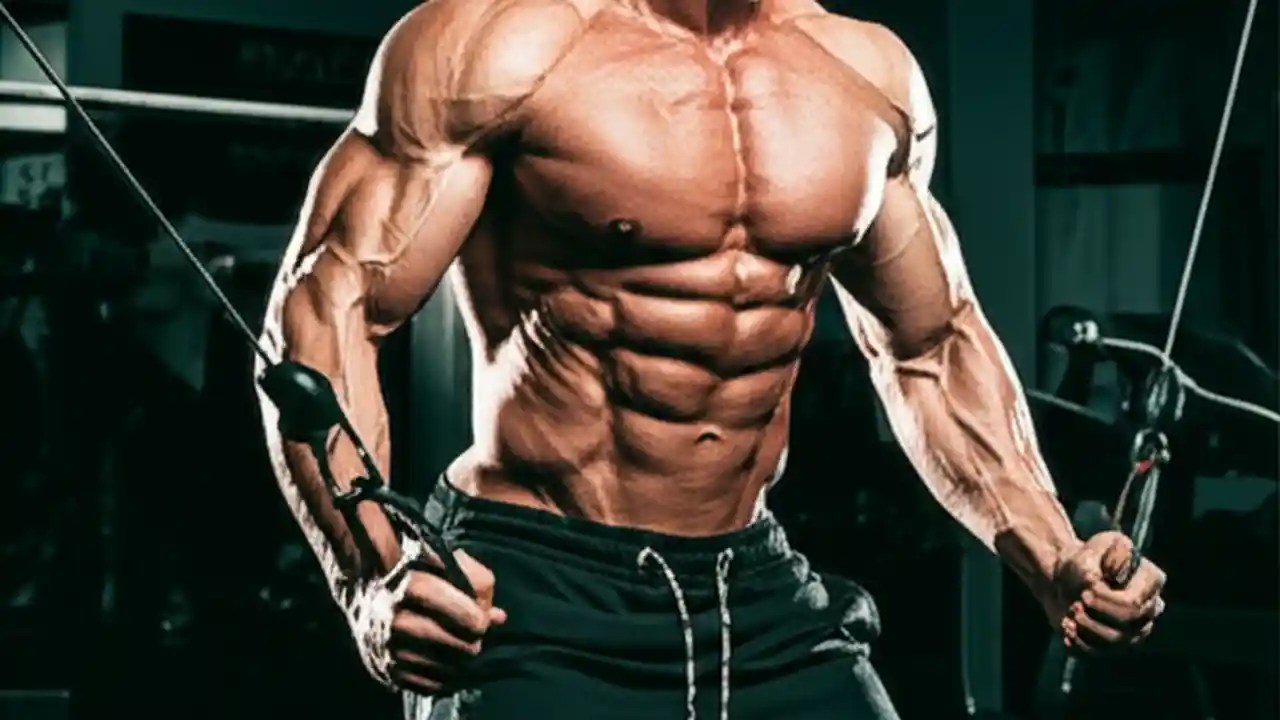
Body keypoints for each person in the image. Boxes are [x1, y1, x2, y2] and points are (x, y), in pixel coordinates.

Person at [256, 0, 1167, 717]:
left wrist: (1054, 556)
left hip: (757, 587)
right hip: (533, 589)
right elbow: (328, 307)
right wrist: (373, 576)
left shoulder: (865, 74)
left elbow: (932, 344)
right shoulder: (501, 43)